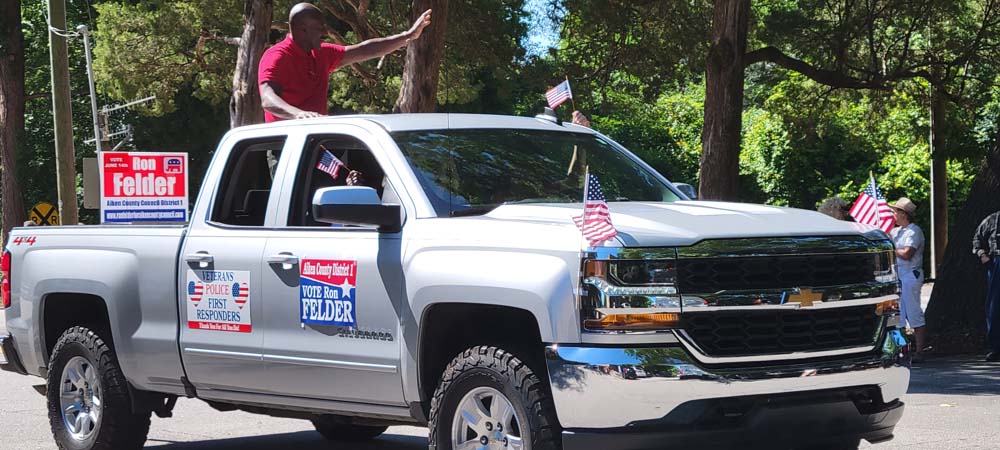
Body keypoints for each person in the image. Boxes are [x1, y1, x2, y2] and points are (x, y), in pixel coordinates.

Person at [258, 3, 432, 122]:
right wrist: (299, 115)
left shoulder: (322, 53)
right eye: (319, 28)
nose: (325, 32)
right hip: (284, 146)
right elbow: (268, 99)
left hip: (317, 141)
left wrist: (408, 35)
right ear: (302, 30)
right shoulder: (277, 56)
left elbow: (366, 49)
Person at [888, 197, 927, 362]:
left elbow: (907, 254)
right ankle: (901, 349)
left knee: (914, 313)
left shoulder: (914, 231)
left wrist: (891, 248)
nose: (893, 215)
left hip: (910, 275)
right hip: (897, 276)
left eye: (895, 211)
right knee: (896, 316)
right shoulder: (895, 232)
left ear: (903, 214)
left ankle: (920, 350)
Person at [973, 210, 1000, 362]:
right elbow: (977, 238)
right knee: (994, 306)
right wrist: (982, 254)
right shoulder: (993, 219)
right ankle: (995, 347)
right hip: (997, 261)